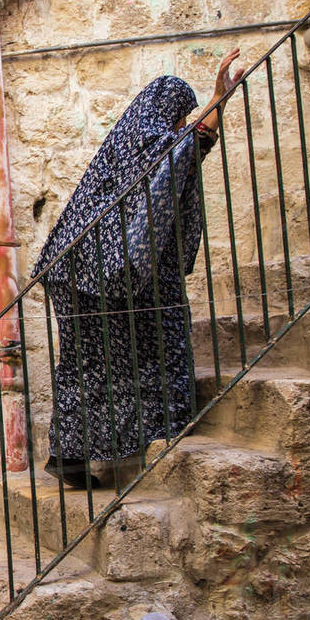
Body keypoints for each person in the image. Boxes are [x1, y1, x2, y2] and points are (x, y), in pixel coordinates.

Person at [32, 49, 246, 489]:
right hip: (104, 277)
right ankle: (162, 436)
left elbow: (178, 158)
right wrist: (217, 103)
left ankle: (70, 455)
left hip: (77, 273)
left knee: (87, 363)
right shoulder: (151, 140)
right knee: (151, 346)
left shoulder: (129, 140)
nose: (182, 126)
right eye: (180, 117)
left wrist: (207, 118)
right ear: (167, 112)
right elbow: (178, 156)